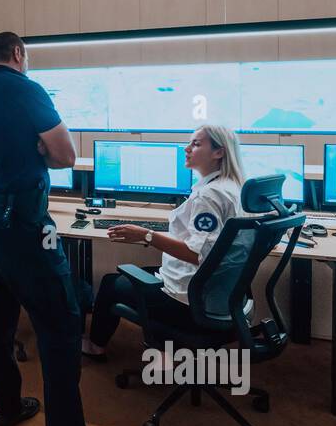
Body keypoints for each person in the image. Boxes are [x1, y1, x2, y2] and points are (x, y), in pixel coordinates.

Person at [0, 31, 118, 426]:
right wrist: (40, 151)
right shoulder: (27, 89)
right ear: (17, 53)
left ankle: (6, 407)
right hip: (22, 219)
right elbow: (66, 155)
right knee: (61, 320)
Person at [81, 124, 245, 364]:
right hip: (221, 296)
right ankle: (163, 347)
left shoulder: (209, 196)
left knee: (111, 283)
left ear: (219, 152)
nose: (187, 149)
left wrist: (146, 235)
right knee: (141, 275)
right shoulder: (233, 187)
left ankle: (95, 347)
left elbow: (198, 255)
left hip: (188, 302)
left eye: (196, 144)